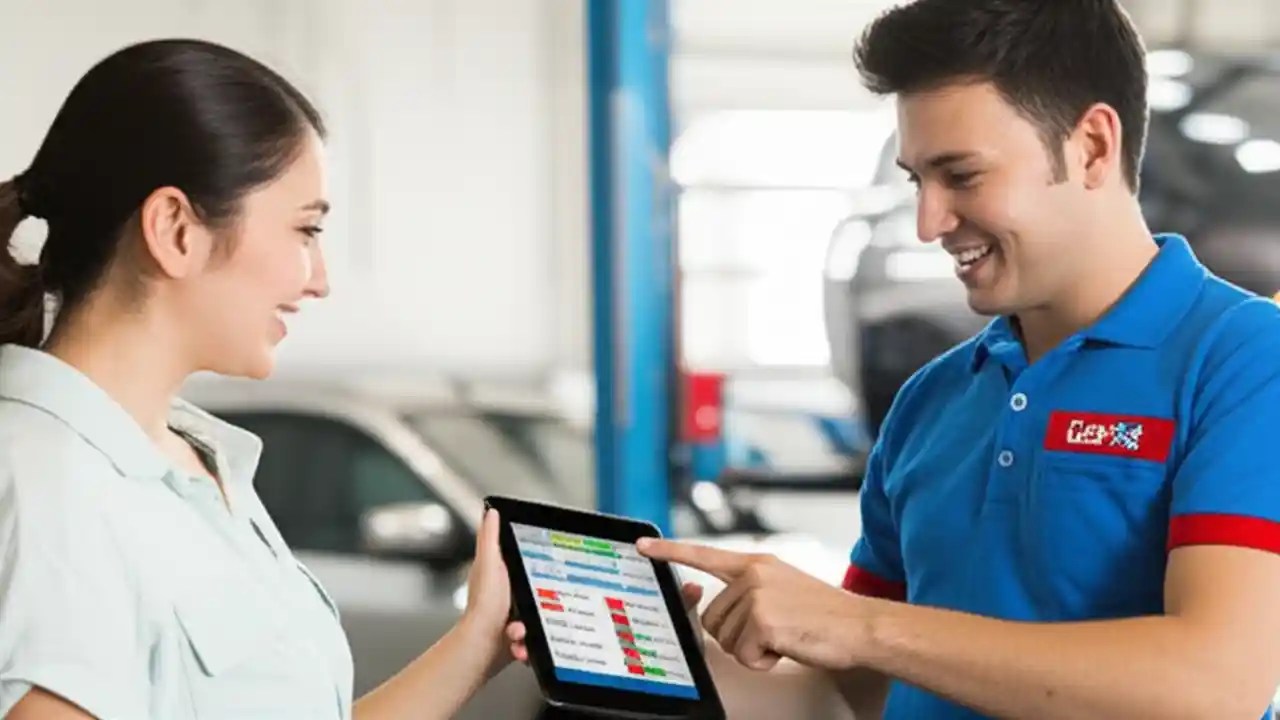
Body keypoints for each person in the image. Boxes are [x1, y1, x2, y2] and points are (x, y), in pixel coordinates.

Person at [640, 1, 1280, 718]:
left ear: (1093, 147)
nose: (928, 222)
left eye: (962, 176)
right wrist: (671, 666)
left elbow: (1215, 686)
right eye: (918, 180)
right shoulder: (932, 400)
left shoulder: (1246, 362)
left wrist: (862, 627)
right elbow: (857, 691)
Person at [0, 38, 545, 720]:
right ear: (175, 229)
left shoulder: (196, 461)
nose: (318, 280)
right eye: (305, 231)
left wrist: (476, 645)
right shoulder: (44, 485)